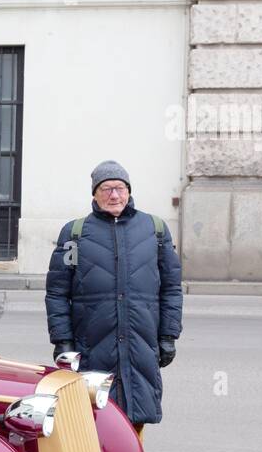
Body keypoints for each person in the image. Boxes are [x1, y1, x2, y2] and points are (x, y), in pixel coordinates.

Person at [45, 160, 183, 437]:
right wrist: (63, 341)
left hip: (140, 343)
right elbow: (58, 291)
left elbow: (171, 287)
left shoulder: (155, 231)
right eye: (106, 188)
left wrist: (168, 335)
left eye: (120, 188)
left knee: (136, 416)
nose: (114, 195)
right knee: (94, 419)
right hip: (92, 345)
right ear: (94, 194)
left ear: (129, 191)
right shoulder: (74, 234)